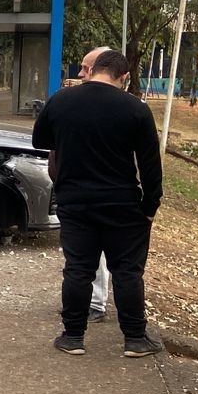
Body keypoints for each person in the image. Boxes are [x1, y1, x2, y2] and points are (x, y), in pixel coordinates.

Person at [32, 49, 163, 357]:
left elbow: (40, 141)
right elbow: (150, 166)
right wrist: (150, 207)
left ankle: (72, 337)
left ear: (93, 70)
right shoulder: (136, 109)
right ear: (124, 76)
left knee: (78, 269)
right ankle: (135, 339)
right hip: (124, 205)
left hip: (75, 202)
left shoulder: (60, 101)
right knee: (128, 272)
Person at [74, 47, 113, 323]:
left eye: (85, 68)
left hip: (109, 193)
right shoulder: (73, 102)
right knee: (80, 254)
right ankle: (84, 300)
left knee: (104, 253)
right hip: (78, 189)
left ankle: (96, 303)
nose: (80, 74)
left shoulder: (126, 109)